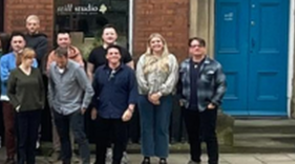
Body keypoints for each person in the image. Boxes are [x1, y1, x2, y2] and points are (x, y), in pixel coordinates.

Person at [177, 37, 225, 164]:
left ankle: (213, 160)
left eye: (199, 46)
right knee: (193, 136)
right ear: (190, 49)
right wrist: (181, 99)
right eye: (193, 46)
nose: (196, 48)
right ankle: (195, 159)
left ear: (204, 48)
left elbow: (221, 85)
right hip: (189, 106)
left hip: (207, 106)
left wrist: (214, 102)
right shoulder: (184, 65)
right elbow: (179, 84)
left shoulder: (214, 65)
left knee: (209, 136)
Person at [91, 46, 138, 164]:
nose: (113, 55)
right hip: (103, 111)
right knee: (100, 143)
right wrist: (94, 107)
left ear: (120, 56)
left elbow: (133, 90)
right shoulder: (99, 71)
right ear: (106, 56)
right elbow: (94, 90)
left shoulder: (129, 72)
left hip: (121, 112)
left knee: (119, 142)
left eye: (116, 53)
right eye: (110, 53)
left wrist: (130, 109)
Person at [136, 34, 178, 164]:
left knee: (162, 126)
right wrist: (149, 93)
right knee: (146, 126)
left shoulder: (171, 59)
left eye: (158, 41)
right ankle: (147, 155)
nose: (156, 44)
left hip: (164, 98)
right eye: (153, 42)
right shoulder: (143, 58)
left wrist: (160, 93)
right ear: (149, 45)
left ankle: (162, 156)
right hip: (145, 96)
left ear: (163, 43)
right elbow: (139, 76)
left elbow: (173, 78)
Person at [48, 48, 92, 164]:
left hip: (74, 107)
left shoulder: (77, 69)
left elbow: (88, 89)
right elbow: (51, 85)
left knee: (79, 136)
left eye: (62, 62)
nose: (60, 64)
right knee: (63, 137)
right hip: (58, 107)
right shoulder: (52, 67)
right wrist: (52, 102)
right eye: (57, 62)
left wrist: (84, 106)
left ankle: (85, 160)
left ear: (67, 58)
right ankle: (66, 160)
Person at [7, 48, 45, 164]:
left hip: (35, 109)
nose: (31, 61)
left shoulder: (36, 72)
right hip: (22, 110)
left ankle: (31, 161)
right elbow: (10, 91)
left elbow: (41, 89)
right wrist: (16, 105)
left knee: (32, 138)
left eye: (32, 58)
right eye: (29, 58)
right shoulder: (15, 73)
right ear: (23, 58)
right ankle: (21, 160)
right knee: (22, 139)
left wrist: (41, 103)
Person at [0, 33, 32, 164]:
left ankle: (23, 156)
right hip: (8, 98)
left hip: (26, 99)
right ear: (11, 44)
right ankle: (10, 156)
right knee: (10, 128)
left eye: (20, 41)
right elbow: (4, 79)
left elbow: (32, 78)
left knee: (24, 129)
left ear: (24, 43)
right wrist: (22, 76)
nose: (17, 44)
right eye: (15, 42)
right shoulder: (5, 59)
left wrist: (14, 75)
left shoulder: (31, 59)